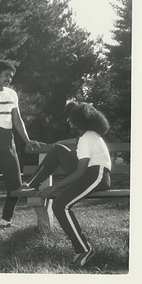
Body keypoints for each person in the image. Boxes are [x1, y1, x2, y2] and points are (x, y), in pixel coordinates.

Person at [16, 100, 111, 268]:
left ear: (80, 120)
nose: (68, 120)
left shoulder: (88, 137)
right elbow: (74, 159)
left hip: (97, 176)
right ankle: (31, 183)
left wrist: (54, 187)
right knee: (58, 149)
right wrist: (55, 146)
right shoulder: (86, 136)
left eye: (71, 117)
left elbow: (80, 172)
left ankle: (84, 249)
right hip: (90, 174)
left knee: (60, 205)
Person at [0, 60, 41, 236]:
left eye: (11, 77)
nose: (9, 79)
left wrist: (27, 140)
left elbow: (17, 120)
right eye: (7, 75)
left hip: (9, 142)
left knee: (16, 186)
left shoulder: (12, 94)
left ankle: (6, 220)